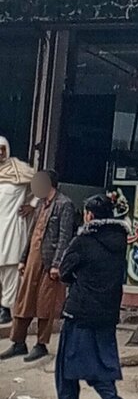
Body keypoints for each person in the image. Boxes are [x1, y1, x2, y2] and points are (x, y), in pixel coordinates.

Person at [47, 193, 129, 399]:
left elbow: (63, 272)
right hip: (107, 316)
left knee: (67, 370)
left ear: (90, 215)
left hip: (80, 313)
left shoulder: (83, 241)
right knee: (101, 365)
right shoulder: (119, 242)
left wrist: (77, 281)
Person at [0, 170, 75, 363]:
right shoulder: (41, 203)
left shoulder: (64, 204)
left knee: (45, 303)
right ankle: (18, 342)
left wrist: (57, 264)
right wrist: (23, 258)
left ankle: (41, 344)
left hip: (49, 261)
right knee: (24, 300)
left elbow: (64, 237)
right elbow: (32, 232)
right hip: (33, 256)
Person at [0, 138, 35, 325]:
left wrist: (32, 205)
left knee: (9, 270)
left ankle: (5, 308)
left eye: (2, 149)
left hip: (11, 227)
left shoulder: (19, 170)